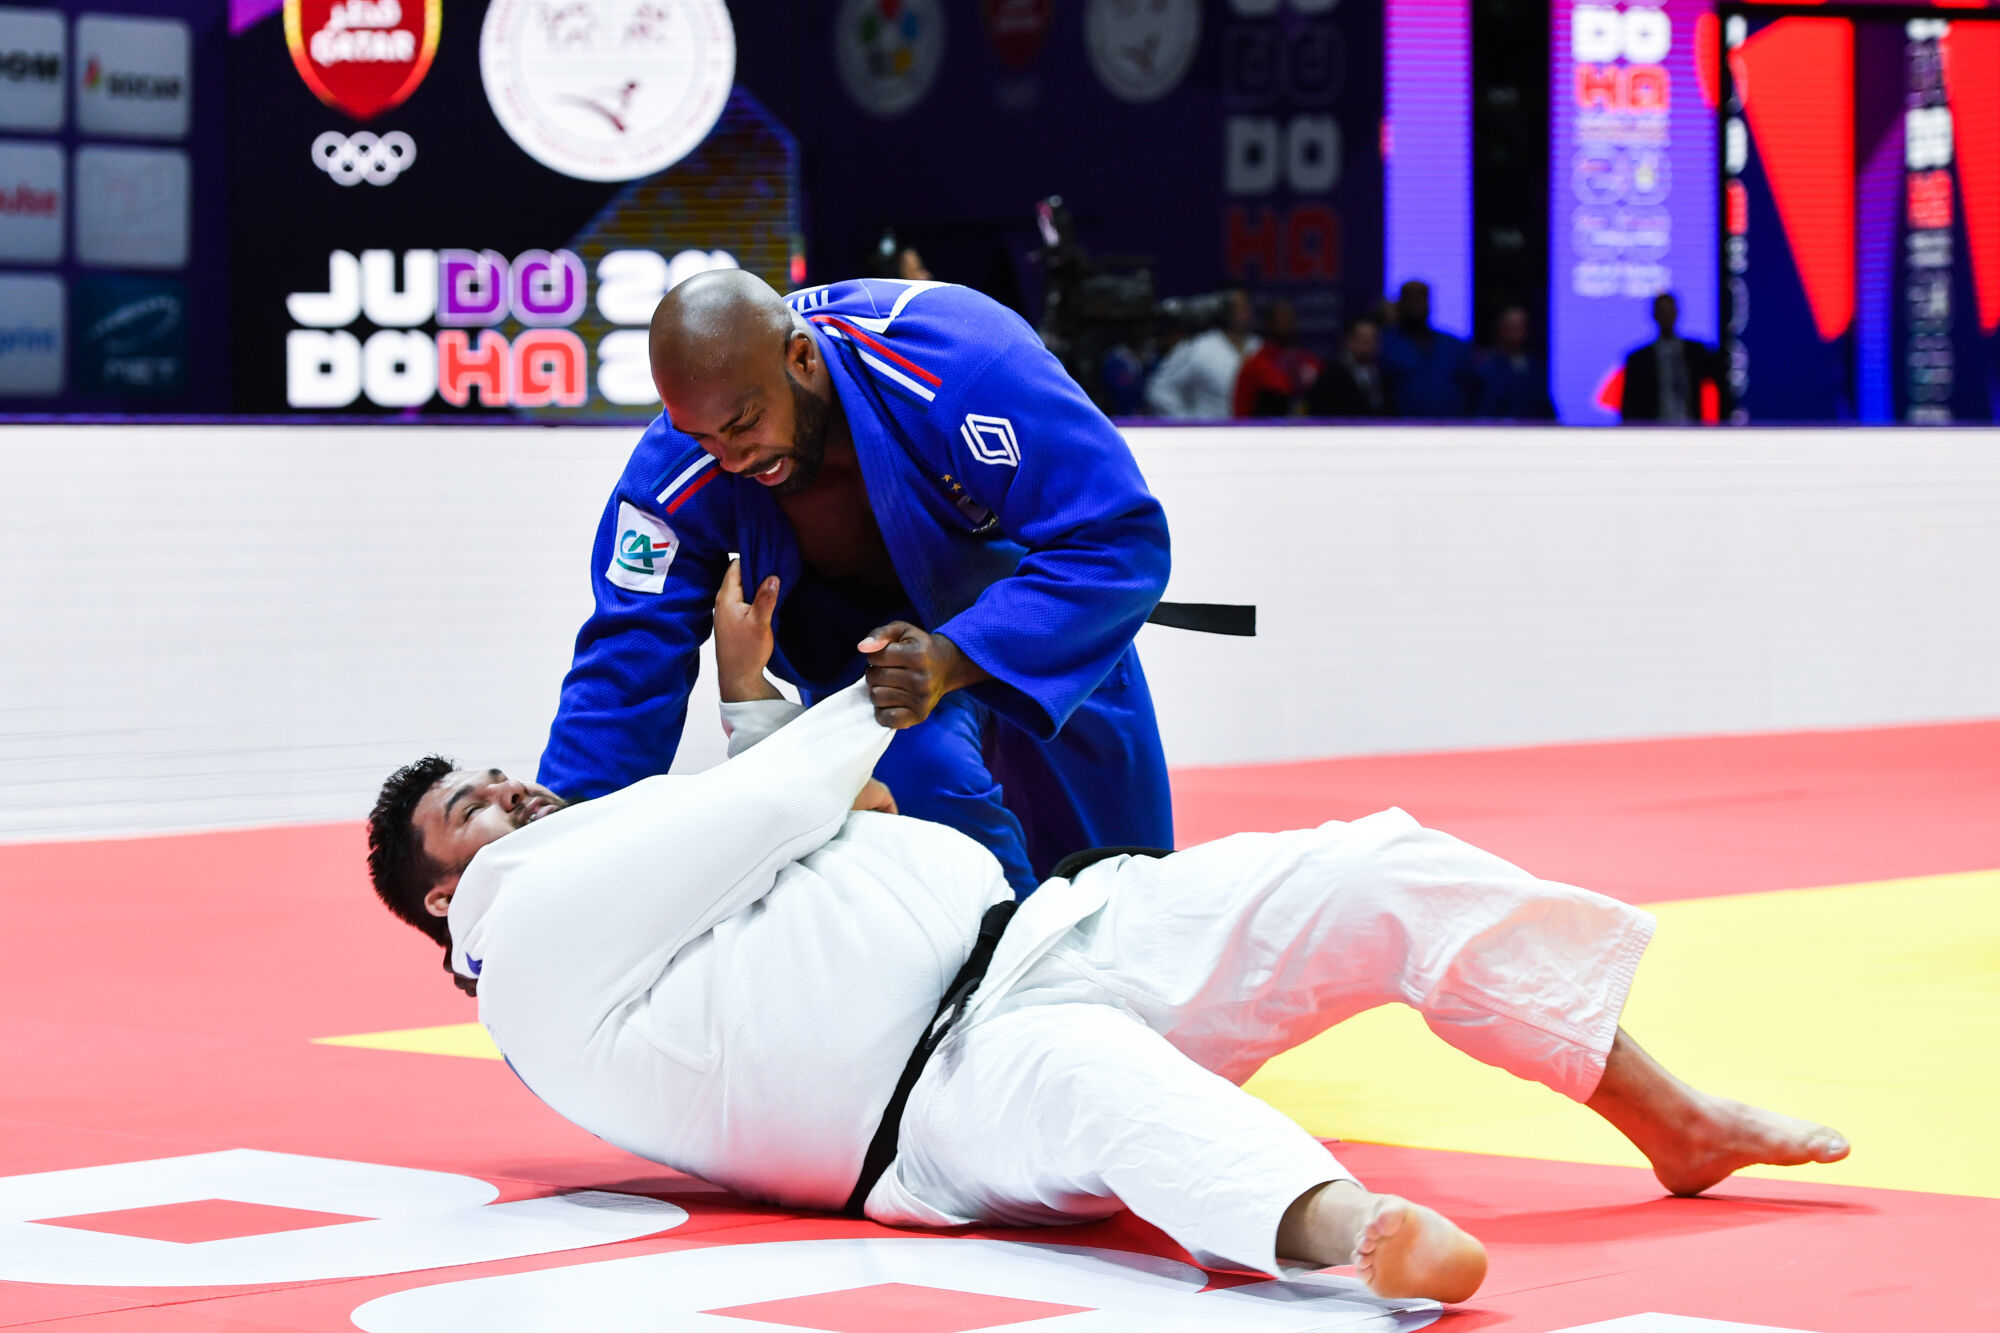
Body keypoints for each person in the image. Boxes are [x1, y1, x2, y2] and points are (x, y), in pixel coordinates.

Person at [364, 568, 1852, 1306]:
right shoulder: (526, 929)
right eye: (468, 811)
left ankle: (1667, 1118)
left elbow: (771, 844)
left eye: (493, 776)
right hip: (943, 1096)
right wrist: (907, 675)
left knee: (1368, 869)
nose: (509, 793)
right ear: (443, 899)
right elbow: (762, 816)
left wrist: (758, 694)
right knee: (1105, 1091)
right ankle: (1351, 1234)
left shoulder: (595, 870)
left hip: (1048, 933)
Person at [536, 270, 1176, 899]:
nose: (730, 458)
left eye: (745, 424)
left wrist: (954, 656)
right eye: (702, 437)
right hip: (873, 681)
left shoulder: (962, 361)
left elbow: (1117, 540)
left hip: (1039, 632)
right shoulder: (675, 471)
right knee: (953, 901)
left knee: (1128, 893)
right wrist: (554, 845)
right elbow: (628, 657)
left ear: (803, 358)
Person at [1144, 289, 1259, 420]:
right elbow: (1160, 390)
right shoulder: (1199, 347)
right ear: (1224, 310)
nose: (1243, 312)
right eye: (1236, 307)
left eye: (1245, 306)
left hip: (1254, 429)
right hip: (1210, 429)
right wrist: (1188, 424)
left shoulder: (1259, 347)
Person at [1620, 292, 1728, 425]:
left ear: (1676, 313)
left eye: (1669, 310)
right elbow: (1629, 407)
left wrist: (1722, 425)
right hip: (1653, 431)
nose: (1666, 316)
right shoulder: (1638, 360)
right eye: (1662, 311)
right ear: (1655, 315)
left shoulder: (1697, 352)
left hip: (1691, 428)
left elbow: (1723, 388)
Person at [1378, 280, 1474, 417]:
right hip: (1400, 425)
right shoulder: (1384, 344)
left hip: (1451, 425)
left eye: (1421, 298)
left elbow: (1471, 388)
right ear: (1400, 304)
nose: (1416, 304)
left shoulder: (1453, 345)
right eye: (1411, 298)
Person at [1231, 300, 1321, 417]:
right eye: (1281, 320)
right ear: (1269, 324)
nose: (1286, 325)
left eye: (1290, 319)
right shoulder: (1255, 365)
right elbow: (1241, 411)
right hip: (1269, 427)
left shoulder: (1311, 362)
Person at [1472, 306, 1556, 420]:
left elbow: (1545, 407)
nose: (1516, 332)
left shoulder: (1535, 365)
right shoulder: (1483, 364)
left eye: (1521, 327)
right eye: (1511, 326)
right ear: (1499, 328)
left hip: (1532, 428)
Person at [1305, 314, 1388, 417]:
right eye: (1361, 338)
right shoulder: (1332, 373)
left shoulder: (1382, 372)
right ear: (1347, 340)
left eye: (1372, 338)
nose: (1367, 344)